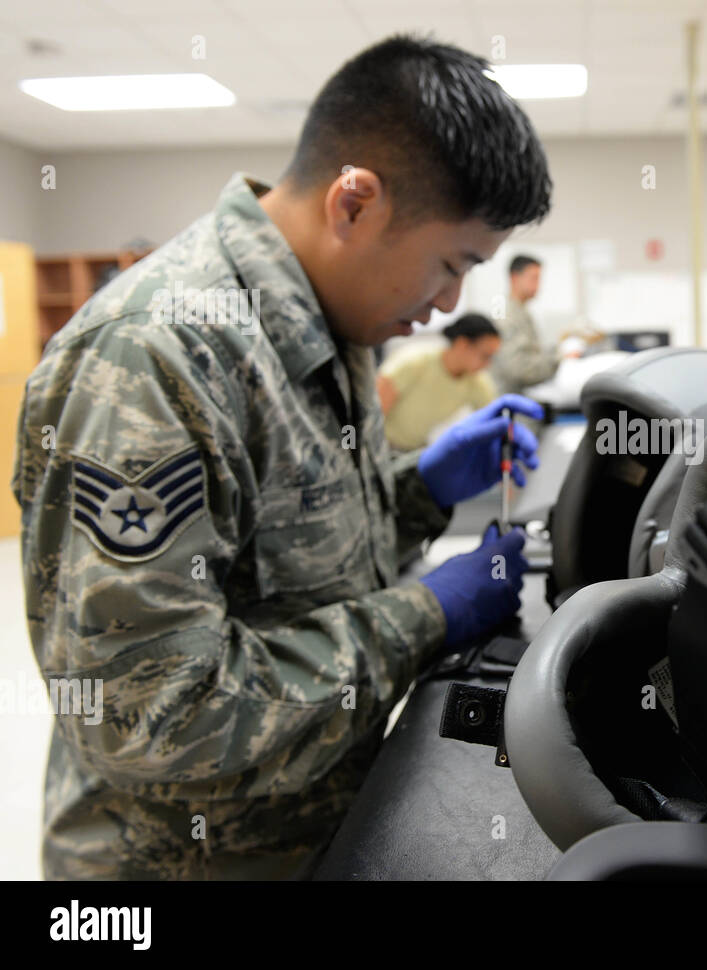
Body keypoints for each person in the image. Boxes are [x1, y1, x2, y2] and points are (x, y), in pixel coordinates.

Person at [12, 35, 552, 879]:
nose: (449, 302)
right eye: (451, 264)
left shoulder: (332, 321)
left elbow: (278, 557)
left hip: (313, 832)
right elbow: (152, 713)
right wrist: (430, 614)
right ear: (355, 203)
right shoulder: (158, 355)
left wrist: (420, 493)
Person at [377, 313, 502, 451]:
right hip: (381, 444)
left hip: (415, 449)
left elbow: (495, 421)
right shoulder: (413, 362)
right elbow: (373, 414)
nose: (488, 364)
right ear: (463, 344)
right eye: (485, 356)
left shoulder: (477, 382)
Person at [490, 254, 564, 393]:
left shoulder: (521, 310)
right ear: (514, 277)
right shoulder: (503, 311)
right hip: (507, 397)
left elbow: (531, 352)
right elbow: (518, 368)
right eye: (533, 278)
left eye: (539, 279)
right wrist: (558, 359)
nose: (538, 285)